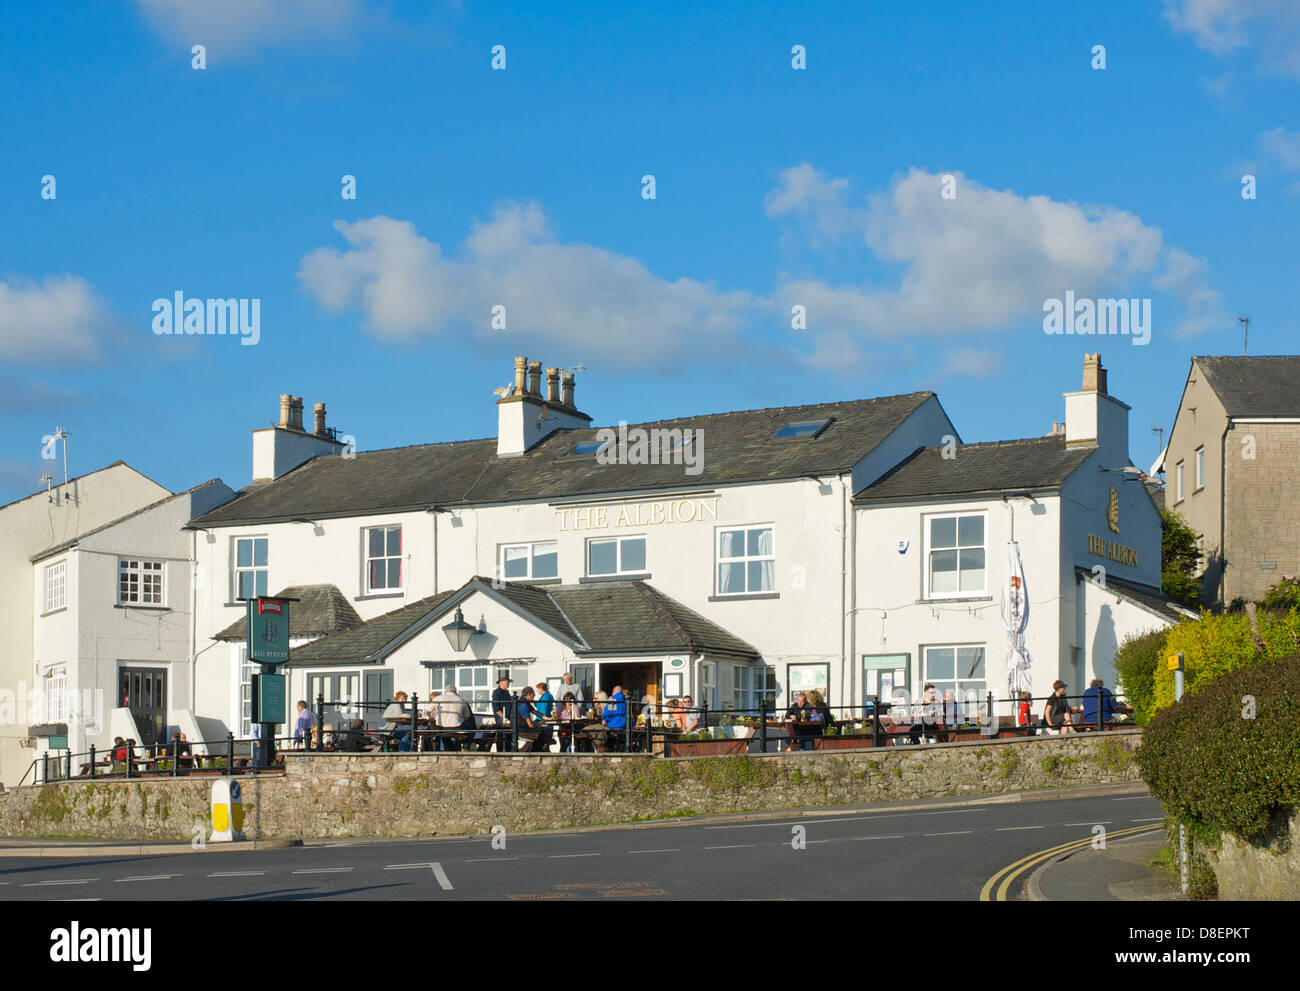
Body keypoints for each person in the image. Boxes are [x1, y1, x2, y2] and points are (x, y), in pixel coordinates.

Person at [434, 681, 472, 751]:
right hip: (457, 727)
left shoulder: (438, 698)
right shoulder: (461, 699)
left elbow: (427, 711)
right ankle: (465, 745)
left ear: (445, 691)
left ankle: (449, 748)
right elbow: (467, 716)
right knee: (470, 726)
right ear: (455, 692)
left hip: (441, 727)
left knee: (444, 735)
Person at [516, 686, 553, 751]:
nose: (534, 695)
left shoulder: (524, 702)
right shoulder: (523, 705)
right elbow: (529, 723)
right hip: (522, 729)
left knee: (543, 731)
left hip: (522, 727)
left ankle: (531, 750)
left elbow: (534, 711)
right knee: (543, 734)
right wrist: (536, 728)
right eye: (533, 694)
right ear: (528, 695)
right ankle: (532, 751)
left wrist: (546, 718)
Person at [491, 677, 514, 752]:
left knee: (509, 735)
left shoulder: (506, 692)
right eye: (507, 683)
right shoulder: (496, 693)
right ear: (501, 683)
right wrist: (504, 718)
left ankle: (508, 750)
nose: (508, 685)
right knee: (501, 734)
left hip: (508, 716)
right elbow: (496, 708)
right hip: (501, 717)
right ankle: (500, 751)